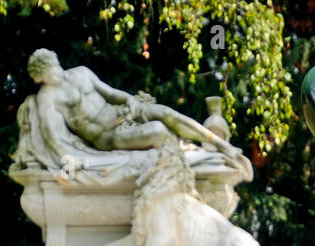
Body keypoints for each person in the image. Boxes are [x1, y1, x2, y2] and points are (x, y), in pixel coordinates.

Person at [27, 48, 242, 162]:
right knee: (158, 129)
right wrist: (67, 158)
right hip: (106, 135)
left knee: (166, 113)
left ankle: (222, 145)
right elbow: (51, 135)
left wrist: (129, 99)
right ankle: (192, 150)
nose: (53, 74)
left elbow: (110, 93)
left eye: (53, 68)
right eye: (47, 75)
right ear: (40, 78)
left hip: (121, 112)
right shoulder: (47, 98)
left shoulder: (81, 73)